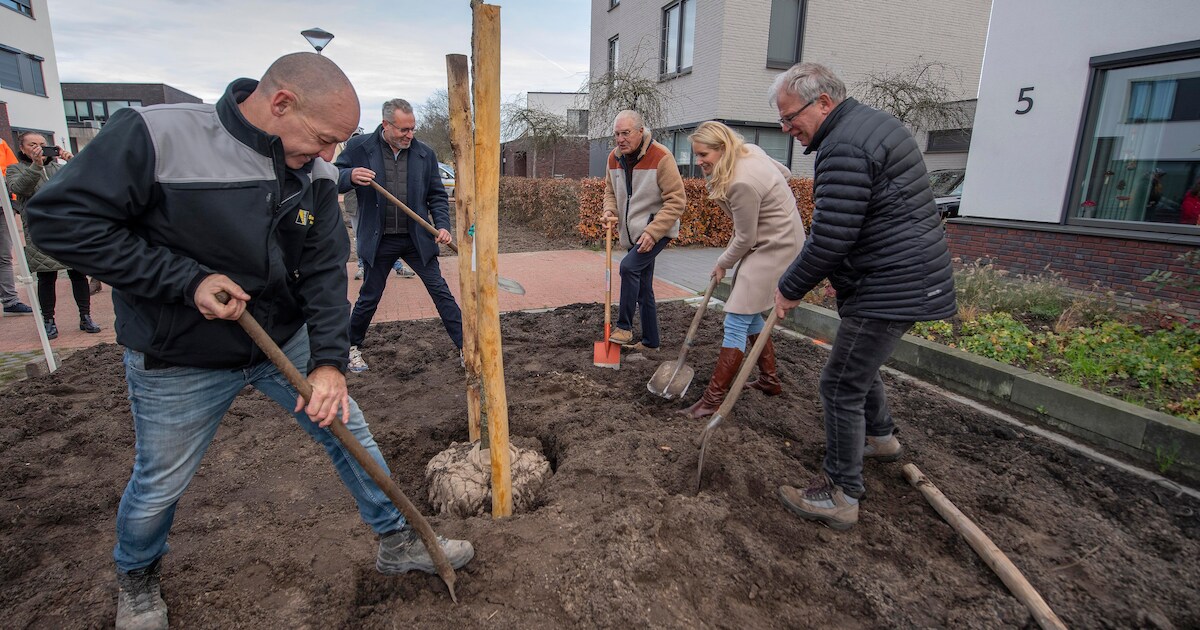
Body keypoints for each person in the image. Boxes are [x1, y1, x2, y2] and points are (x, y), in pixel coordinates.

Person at [24, 53, 474, 630]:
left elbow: (323, 273)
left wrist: (331, 363)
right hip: (178, 354)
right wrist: (185, 281)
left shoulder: (311, 175)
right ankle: (136, 580)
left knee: (347, 431)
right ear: (280, 103)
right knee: (161, 480)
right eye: (323, 139)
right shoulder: (157, 136)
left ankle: (398, 542)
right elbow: (59, 222)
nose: (330, 157)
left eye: (338, 143)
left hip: (282, 339)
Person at [769, 63, 956, 531]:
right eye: (782, 122)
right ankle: (882, 439)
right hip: (901, 274)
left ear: (824, 103)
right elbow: (859, 223)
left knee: (839, 383)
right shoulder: (868, 125)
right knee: (857, 363)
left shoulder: (843, 146)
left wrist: (789, 288)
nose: (788, 129)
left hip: (894, 281)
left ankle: (841, 492)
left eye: (791, 118)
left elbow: (831, 236)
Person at [679, 121, 805, 419]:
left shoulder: (741, 182)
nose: (698, 162)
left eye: (704, 154)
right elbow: (784, 174)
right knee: (747, 310)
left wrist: (723, 262)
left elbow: (745, 237)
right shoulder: (750, 151)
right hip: (773, 236)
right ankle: (769, 380)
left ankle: (712, 400)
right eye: (696, 154)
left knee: (736, 317)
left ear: (723, 149)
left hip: (777, 244)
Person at [336, 98, 460, 373]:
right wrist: (350, 175)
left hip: (416, 238)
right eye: (404, 130)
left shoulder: (424, 154)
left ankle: (465, 346)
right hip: (380, 239)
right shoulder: (360, 147)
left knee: (441, 292)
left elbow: (437, 196)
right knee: (369, 296)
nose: (409, 135)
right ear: (386, 125)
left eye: (412, 129)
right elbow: (332, 174)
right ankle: (350, 347)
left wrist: (442, 227)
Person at [601, 110, 686, 350]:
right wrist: (610, 211)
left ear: (641, 131)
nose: (620, 139)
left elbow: (677, 200)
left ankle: (624, 328)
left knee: (628, 268)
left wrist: (653, 231)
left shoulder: (661, 156)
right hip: (631, 233)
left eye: (626, 133)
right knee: (644, 288)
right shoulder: (613, 158)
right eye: (617, 134)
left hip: (656, 230)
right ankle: (651, 342)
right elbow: (610, 190)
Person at [6, 132, 99, 338]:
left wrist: (75, 162)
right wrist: (36, 166)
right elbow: (19, 188)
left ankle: (86, 317)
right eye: (32, 144)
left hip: (68, 230)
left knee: (78, 274)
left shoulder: (59, 168)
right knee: (46, 277)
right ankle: (49, 320)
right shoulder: (15, 169)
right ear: (22, 148)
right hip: (40, 232)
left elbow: (86, 184)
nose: (38, 148)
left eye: (42, 144)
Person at [344, 186, 414, 281]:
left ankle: (397, 266)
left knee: (382, 235)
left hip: (376, 203)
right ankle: (362, 266)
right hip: (354, 202)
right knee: (359, 236)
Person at [0, 137, 33, 315]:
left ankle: (10, 300)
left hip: (2, 207)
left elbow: (11, 173)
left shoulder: (0, 143)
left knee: (4, 256)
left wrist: (13, 203)